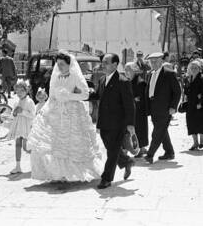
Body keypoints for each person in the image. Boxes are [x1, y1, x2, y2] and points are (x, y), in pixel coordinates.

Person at [28, 51, 103, 183]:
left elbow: (85, 94)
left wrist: (69, 95)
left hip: (72, 110)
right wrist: (45, 109)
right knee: (53, 144)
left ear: (69, 64)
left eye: (62, 64)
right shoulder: (55, 76)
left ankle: (71, 173)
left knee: (71, 144)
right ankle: (58, 174)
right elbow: (51, 95)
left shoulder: (75, 76)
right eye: (58, 64)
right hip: (56, 110)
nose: (60, 67)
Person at [89, 53, 135, 189]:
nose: (103, 65)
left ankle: (106, 178)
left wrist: (131, 124)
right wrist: (83, 92)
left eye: (106, 62)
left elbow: (129, 104)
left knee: (112, 151)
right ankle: (127, 161)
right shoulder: (102, 80)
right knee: (112, 149)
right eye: (102, 62)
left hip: (118, 123)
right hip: (104, 123)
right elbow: (97, 95)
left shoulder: (123, 81)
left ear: (115, 65)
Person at [144, 52, 181, 163]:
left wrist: (173, 106)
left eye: (155, 61)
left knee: (157, 132)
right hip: (153, 107)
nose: (153, 63)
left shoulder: (169, 73)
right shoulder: (150, 74)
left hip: (165, 108)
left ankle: (150, 154)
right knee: (162, 131)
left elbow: (177, 91)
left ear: (161, 61)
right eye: (151, 61)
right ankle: (169, 152)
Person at [7, 80, 36, 174]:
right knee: (17, 145)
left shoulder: (30, 101)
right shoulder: (16, 102)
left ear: (26, 90)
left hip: (27, 127)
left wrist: (22, 111)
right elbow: (13, 114)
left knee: (26, 147)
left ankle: (38, 161)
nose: (19, 93)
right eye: (17, 91)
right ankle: (18, 166)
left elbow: (32, 115)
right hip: (19, 126)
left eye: (21, 91)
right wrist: (14, 113)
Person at [124, 62, 148, 158]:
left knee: (140, 130)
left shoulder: (140, 82)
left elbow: (141, 98)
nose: (126, 72)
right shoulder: (128, 81)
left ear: (134, 70)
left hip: (139, 111)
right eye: (125, 70)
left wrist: (132, 100)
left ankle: (141, 149)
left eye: (128, 70)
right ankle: (133, 148)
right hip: (131, 110)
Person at [184, 60, 203, 150]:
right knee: (191, 123)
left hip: (200, 105)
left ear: (199, 69)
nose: (193, 69)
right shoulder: (188, 78)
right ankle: (195, 143)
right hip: (190, 104)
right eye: (192, 68)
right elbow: (186, 91)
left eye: (195, 68)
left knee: (200, 123)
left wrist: (200, 103)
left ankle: (202, 139)